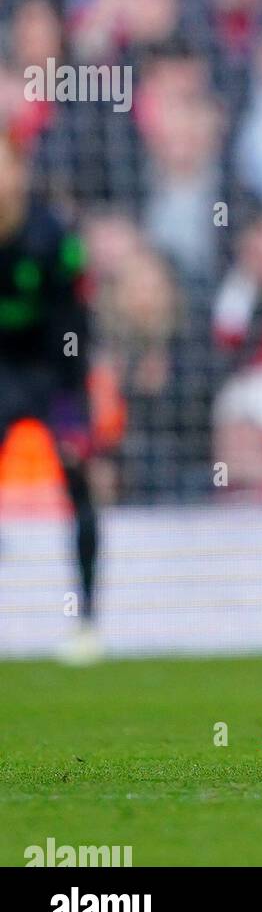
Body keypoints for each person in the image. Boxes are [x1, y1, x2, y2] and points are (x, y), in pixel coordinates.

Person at [0, 132, 100, 664]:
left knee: (78, 479)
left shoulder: (53, 236)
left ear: (19, 172)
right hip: (2, 371)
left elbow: (76, 328)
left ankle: (87, 622)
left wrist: (71, 412)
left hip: (54, 373)